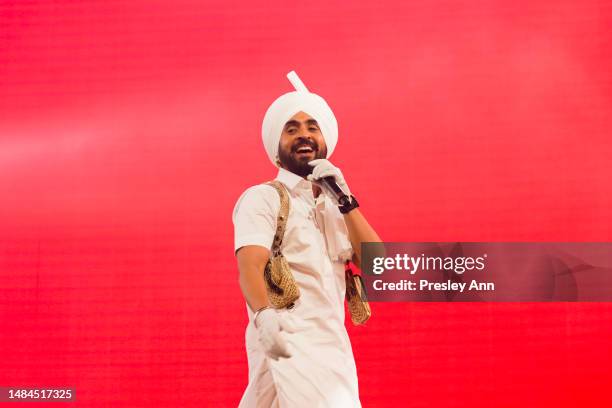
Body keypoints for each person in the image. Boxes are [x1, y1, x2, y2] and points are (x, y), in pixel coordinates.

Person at [232, 71, 381, 407]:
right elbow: (250, 265)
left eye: (312, 127)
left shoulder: (336, 203)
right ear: (276, 148)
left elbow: (379, 264)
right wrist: (263, 317)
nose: (304, 135)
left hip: (333, 351)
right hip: (287, 340)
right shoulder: (262, 198)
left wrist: (346, 199)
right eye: (292, 128)